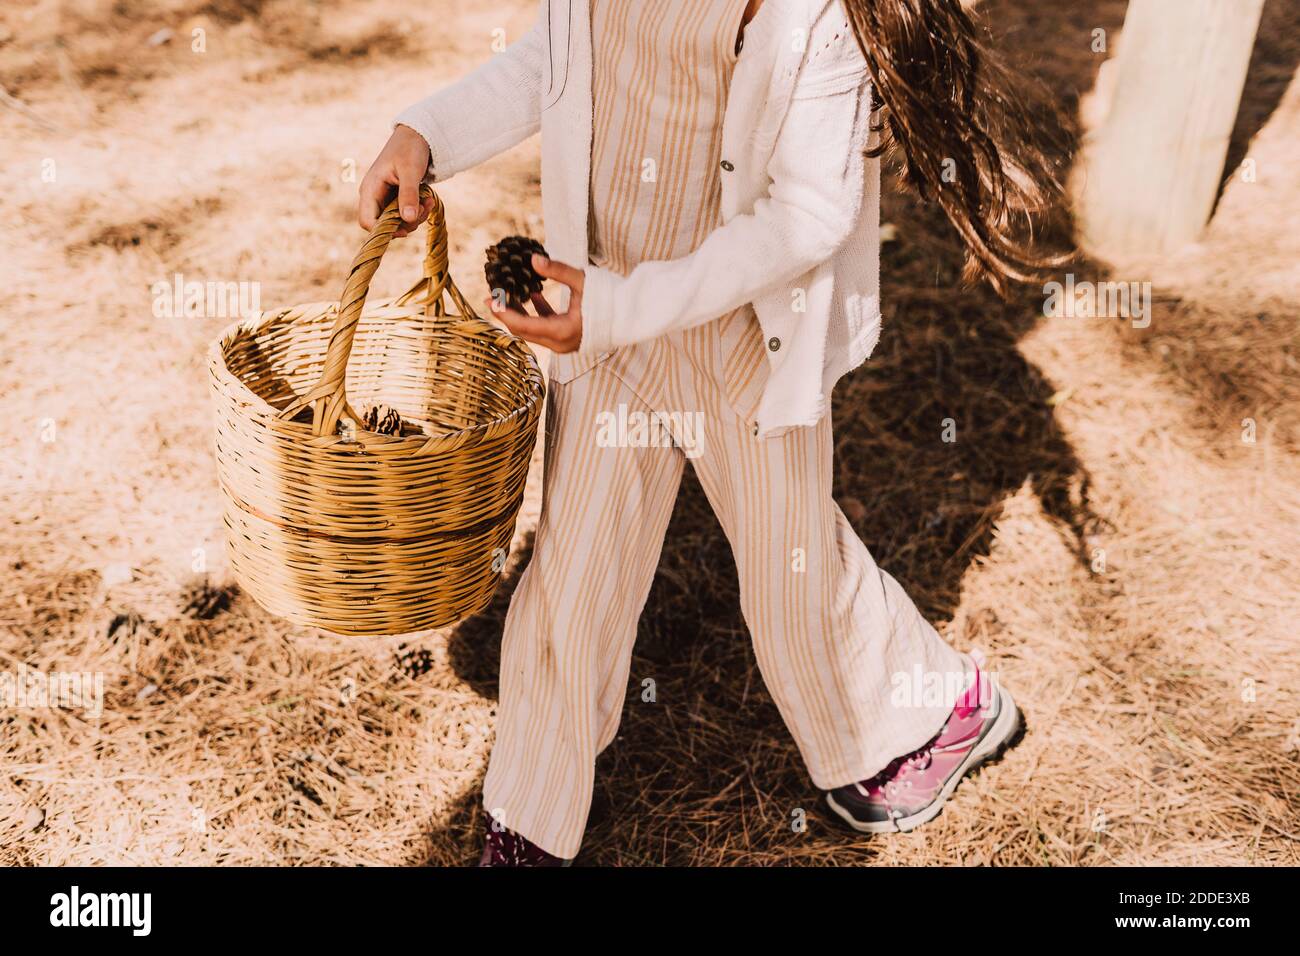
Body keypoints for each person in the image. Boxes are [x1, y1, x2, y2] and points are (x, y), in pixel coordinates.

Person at [359, 0, 1056, 865]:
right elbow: (554, 60)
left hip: (741, 339)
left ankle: (927, 717)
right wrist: (426, 132)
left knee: (789, 569)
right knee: (571, 576)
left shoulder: (819, 17)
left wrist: (621, 309)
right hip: (606, 321)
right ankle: (531, 809)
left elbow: (806, 216)